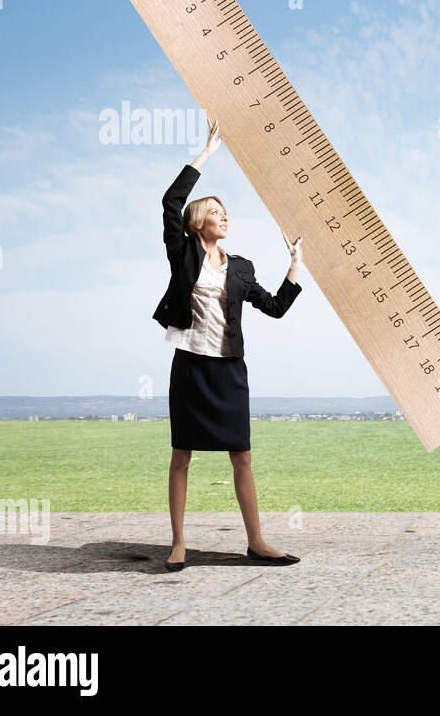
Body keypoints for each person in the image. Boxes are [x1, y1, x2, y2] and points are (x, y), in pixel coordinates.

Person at [155, 117, 305, 571]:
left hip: (229, 371)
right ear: (200, 220)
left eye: (227, 213)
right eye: (218, 212)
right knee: (182, 454)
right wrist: (205, 155)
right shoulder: (183, 252)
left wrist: (295, 264)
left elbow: (276, 307)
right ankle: (178, 543)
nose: (225, 218)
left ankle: (256, 540)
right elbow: (170, 200)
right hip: (190, 366)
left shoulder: (241, 267)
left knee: (242, 454)